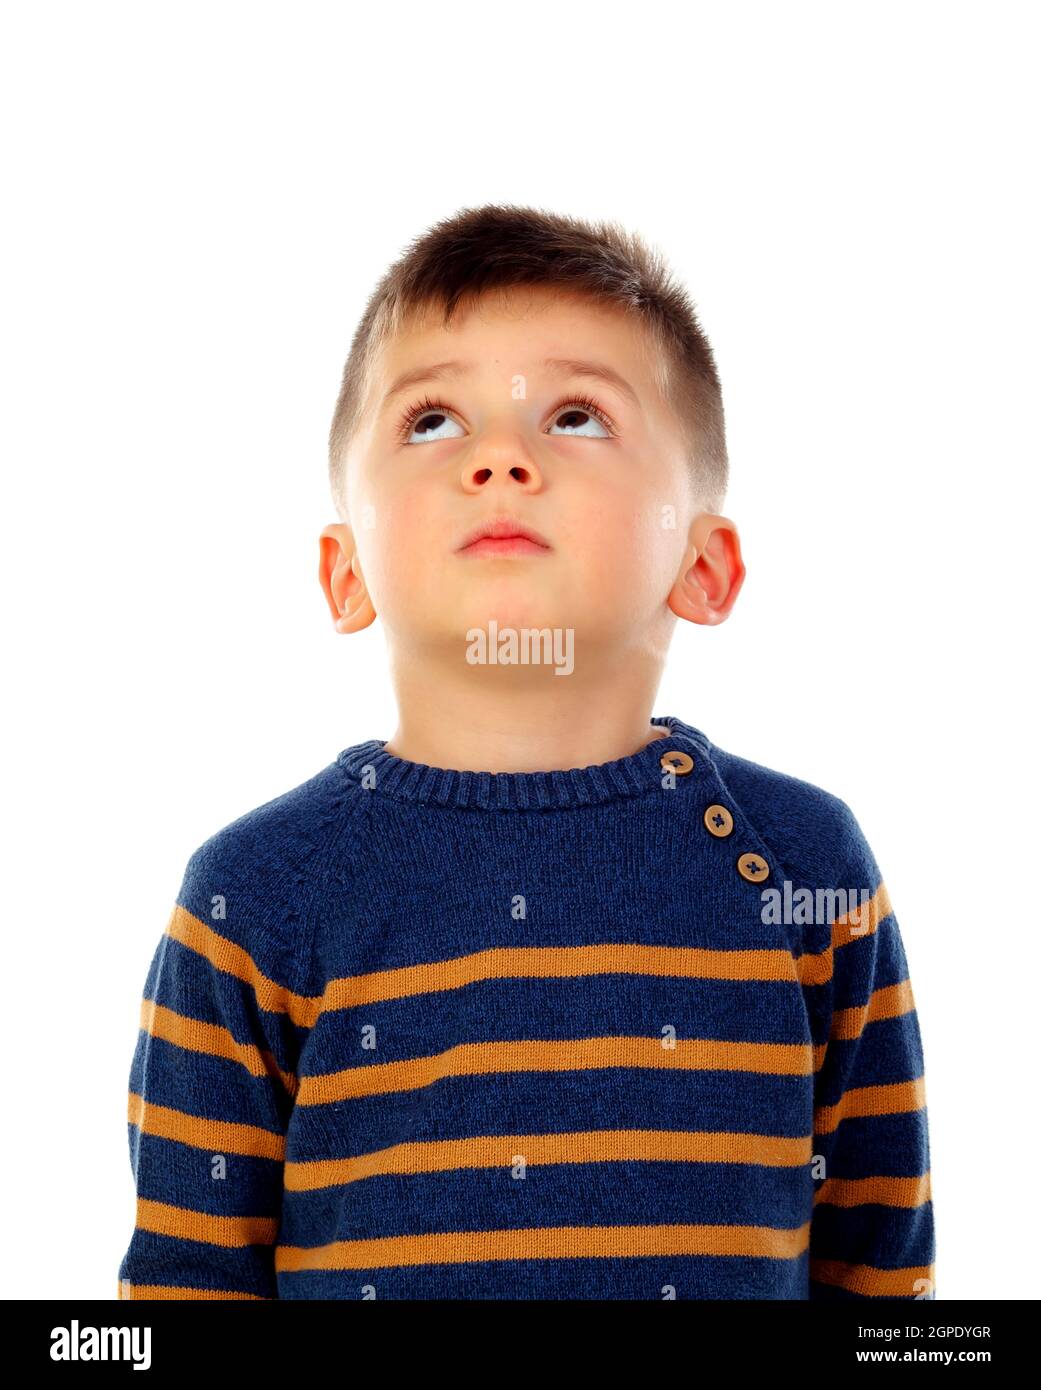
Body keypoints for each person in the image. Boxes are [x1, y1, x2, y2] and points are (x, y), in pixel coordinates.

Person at [117, 203, 935, 1300]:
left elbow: (881, 1275)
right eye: (433, 422)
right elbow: (184, 1285)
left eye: (578, 416)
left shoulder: (803, 868)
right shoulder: (255, 898)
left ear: (705, 564)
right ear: (345, 570)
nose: (501, 456)